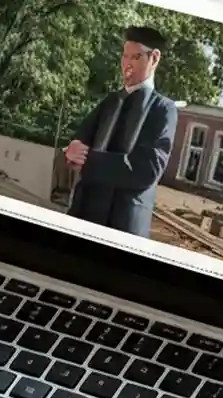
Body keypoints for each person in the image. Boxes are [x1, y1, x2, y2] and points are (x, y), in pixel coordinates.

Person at [63, 26, 179, 239]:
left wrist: (89, 160)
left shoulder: (163, 109)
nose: (127, 64)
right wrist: (71, 151)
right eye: (124, 56)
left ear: (154, 58)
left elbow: (147, 170)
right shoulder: (110, 101)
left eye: (135, 57)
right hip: (83, 214)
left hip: (123, 227)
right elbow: (79, 140)